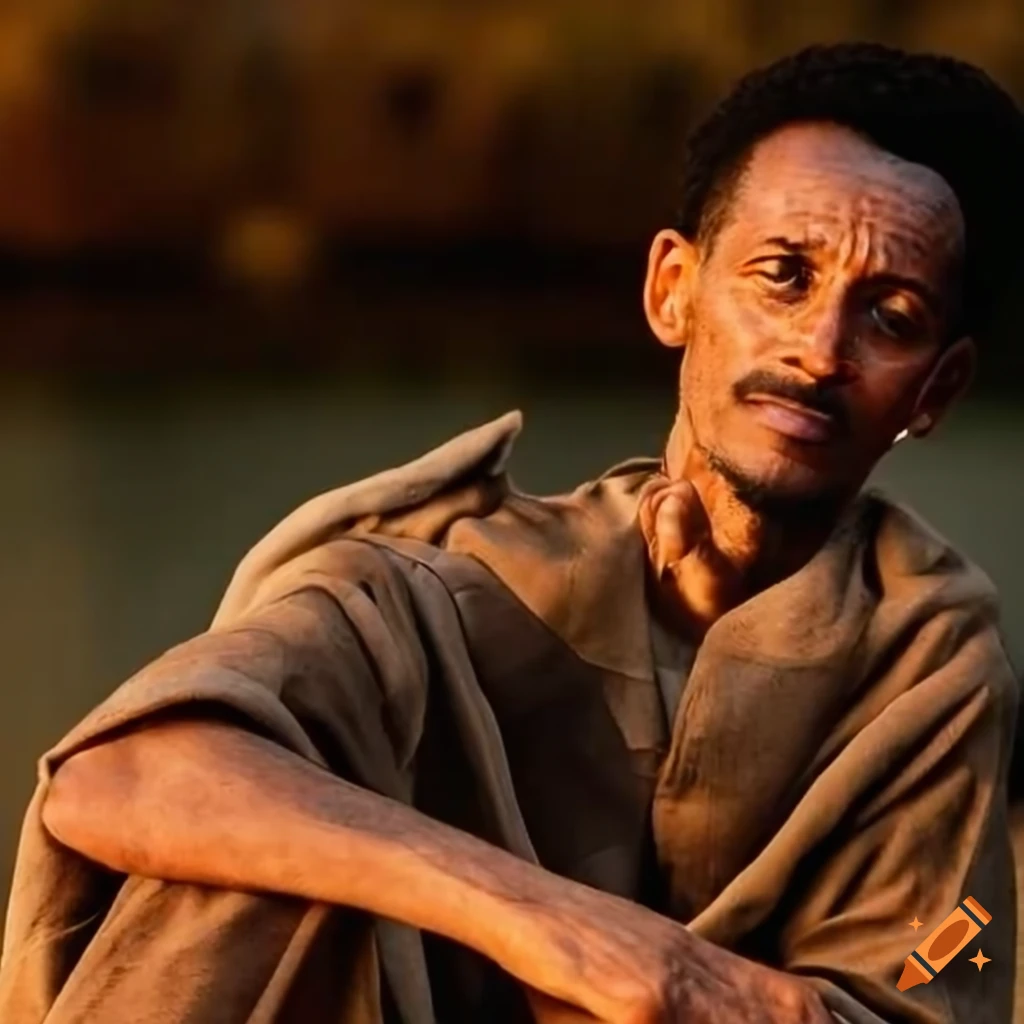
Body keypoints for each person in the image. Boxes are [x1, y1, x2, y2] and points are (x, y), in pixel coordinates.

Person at [1, 42, 1020, 1024]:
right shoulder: (438, 583)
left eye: (889, 317)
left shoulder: (930, 663)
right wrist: (564, 931)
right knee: (249, 856)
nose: (820, 349)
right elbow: (119, 775)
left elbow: (944, 958)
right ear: (673, 289)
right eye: (783, 275)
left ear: (935, 390)